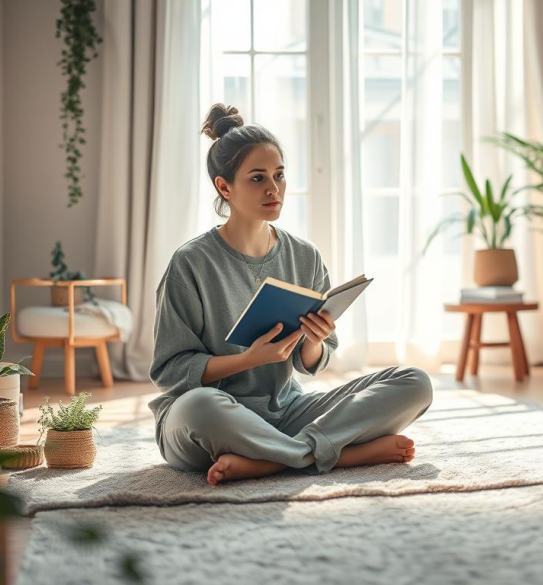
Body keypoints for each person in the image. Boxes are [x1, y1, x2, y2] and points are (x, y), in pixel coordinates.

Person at [148, 104, 433, 486]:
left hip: (286, 410)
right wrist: (248, 360)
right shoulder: (191, 262)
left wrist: (313, 342)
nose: (273, 189)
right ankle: (333, 454)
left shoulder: (304, 255)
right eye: (257, 178)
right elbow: (170, 371)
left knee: (414, 382)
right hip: (211, 416)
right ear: (224, 186)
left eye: (279, 176)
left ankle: (274, 458)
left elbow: (313, 361)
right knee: (200, 408)